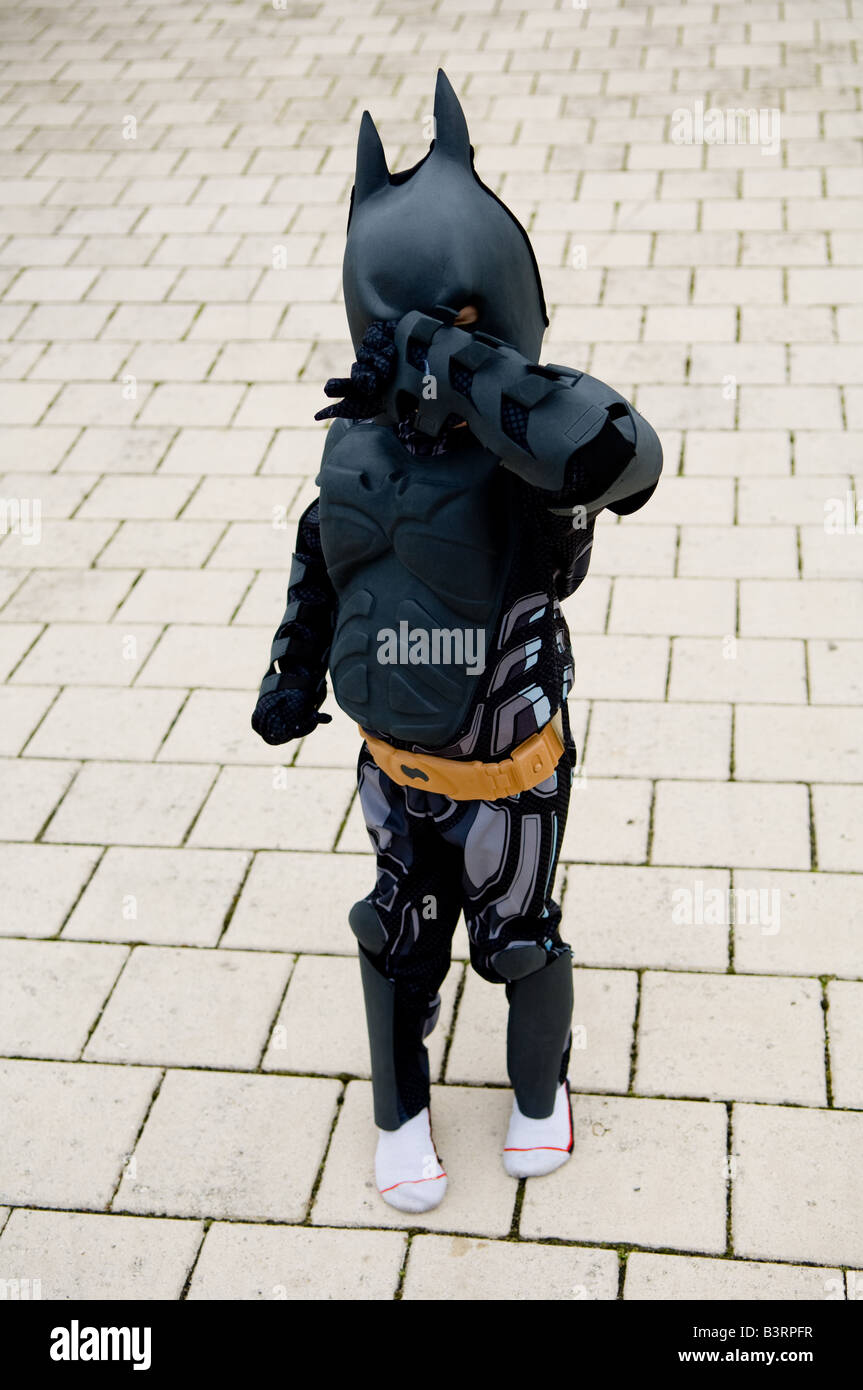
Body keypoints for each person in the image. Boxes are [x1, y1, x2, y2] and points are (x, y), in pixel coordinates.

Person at [251, 70, 663, 1214]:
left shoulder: (531, 461)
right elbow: (324, 548)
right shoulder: (359, 446)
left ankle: (541, 1088)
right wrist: (292, 667)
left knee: (516, 939)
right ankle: (398, 1112)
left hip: (508, 769)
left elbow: (621, 454)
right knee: (397, 936)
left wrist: (460, 365)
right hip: (394, 763)